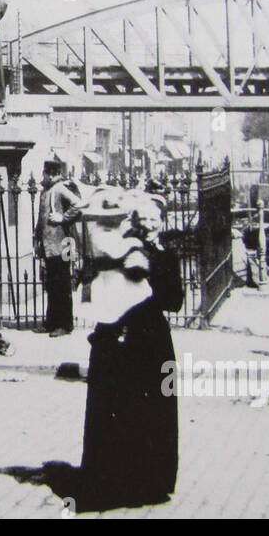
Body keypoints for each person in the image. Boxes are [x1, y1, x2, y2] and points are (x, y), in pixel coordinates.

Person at [78, 187, 181, 507]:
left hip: (152, 340)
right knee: (123, 407)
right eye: (144, 218)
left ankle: (154, 480)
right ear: (135, 220)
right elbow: (93, 283)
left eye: (155, 219)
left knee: (157, 408)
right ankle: (114, 478)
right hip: (121, 340)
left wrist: (157, 270)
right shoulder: (121, 250)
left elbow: (174, 301)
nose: (150, 224)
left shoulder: (163, 255)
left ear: (163, 223)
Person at [35, 160, 83, 337]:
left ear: (51, 174)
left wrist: (62, 218)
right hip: (49, 245)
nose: (43, 177)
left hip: (63, 244)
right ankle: (51, 322)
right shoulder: (46, 191)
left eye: (45, 174)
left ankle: (64, 324)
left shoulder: (60, 188)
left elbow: (78, 204)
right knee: (52, 285)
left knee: (62, 285)